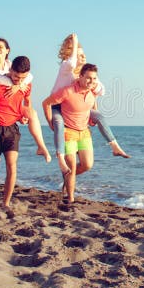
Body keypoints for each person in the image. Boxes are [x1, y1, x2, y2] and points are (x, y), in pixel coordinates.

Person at [48, 33, 129, 176]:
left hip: (78, 107)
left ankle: (114, 146)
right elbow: (72, 62)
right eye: (79, 55)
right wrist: (75, 42)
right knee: (59, 124)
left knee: (100, 116)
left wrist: (92, 113)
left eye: (84, 54)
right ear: (71, 55)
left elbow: (96, 92)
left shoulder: (84, 75)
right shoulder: (67, 69)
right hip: (58, 106)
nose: (83, 57)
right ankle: (60, 157)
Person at [0, 56, 48, 211]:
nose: (18, 80)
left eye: (22, 77)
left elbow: (27, 102)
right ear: (10, 70)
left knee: (12, 166)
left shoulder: (26, 85)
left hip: (11, 129)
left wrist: (23, 117)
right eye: (15, 76)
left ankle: (5, 203)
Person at [0, 38, 49, 164]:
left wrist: (19, 85)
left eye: (0, 47)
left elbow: (29, 76)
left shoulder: (9, 64)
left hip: (9, 105)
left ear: (7, 50)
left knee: (32, 113)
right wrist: (17, 85)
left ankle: (41, 146)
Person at [42, 63, 101, 203]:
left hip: (84, 132)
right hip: (68, 132)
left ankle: (67, 178)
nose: (91, 82)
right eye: (88, 78)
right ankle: (70, 198)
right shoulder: (68, 91)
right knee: (72, 167)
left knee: (87, 165)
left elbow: (92, 105)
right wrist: (50, 122)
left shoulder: (92, 92)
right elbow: (46, 103)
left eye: (94, 79)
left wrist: (93, 118)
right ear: (80, 77)